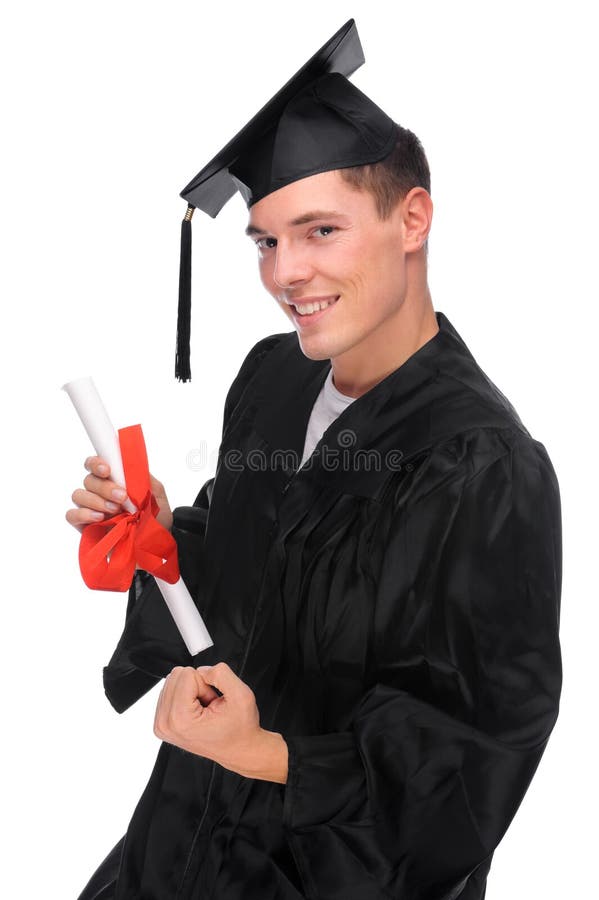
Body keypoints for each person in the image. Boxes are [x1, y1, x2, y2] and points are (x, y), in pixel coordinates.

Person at [66, 20, 562, 900]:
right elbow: (244, 578)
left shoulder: (479, 467)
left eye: (319, 230)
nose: (285, 272)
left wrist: (265, 754)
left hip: (317, 876)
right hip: (178, 841)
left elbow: (475, 756)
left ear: (412, 219)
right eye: (265, 241)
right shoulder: (272, 381)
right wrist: (159, 532)